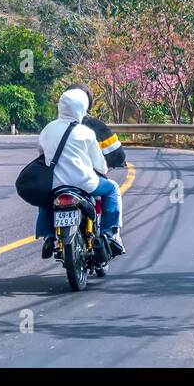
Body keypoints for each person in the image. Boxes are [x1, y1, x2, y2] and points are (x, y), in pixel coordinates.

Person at [35, 88, 124, 259]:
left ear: (60, 107)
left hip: (55, 185)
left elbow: (41, 154)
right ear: (82, 108)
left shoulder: (48, 129)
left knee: (44, 197)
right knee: (112, 189)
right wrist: (102, 169)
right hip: (85, 184)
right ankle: (110, 234)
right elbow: (100, 165)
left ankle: (48, 235)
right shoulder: (86, 132)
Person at [65, 83, 126, 170]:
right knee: (112, 184)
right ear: (88, 102)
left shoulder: (50, 128)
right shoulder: (96, 126)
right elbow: (118, 156)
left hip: (55, 181)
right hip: (86, 179)